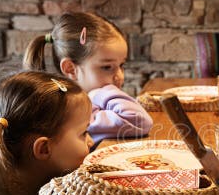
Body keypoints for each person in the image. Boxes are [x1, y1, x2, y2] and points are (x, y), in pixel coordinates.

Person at [23, 12, 153, 145]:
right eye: (107, 67)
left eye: (121, 65)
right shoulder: (75, 113)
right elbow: (140, 121)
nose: (119, 75)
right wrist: (102, 93)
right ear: (71, 69)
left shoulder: (90, 105)